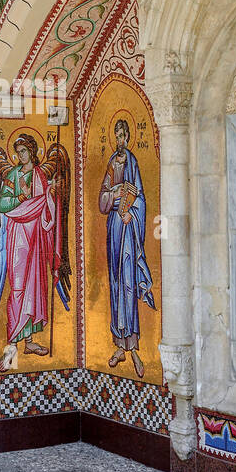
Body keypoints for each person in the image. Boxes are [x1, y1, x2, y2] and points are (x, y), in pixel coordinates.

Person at [0, 134, 62, 368]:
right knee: (18, 286)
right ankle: (11, 345)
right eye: (19, 151)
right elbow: (3, 204)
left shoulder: (40, 175)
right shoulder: (14, 175)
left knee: (35, 287)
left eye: (24, 150)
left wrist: (51, 193)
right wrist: (22, 196)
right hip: (18, 236)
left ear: (33, 152)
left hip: (35, 237)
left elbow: (46, 206)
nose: (21, 155)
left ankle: (30, 341)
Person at [98, 119, 155, 377]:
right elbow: (102, 200)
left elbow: (141, 198)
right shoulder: (112, 164)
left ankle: (134, 347)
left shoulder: (132, 162)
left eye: (122, 135)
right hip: (115, 230)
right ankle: (119, 345)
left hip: (129, 230)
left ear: (128, 137)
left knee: (129, 285)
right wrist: (115, 194)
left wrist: (130, 210)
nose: (119, 140)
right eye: (116, 135)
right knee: (116, 283)